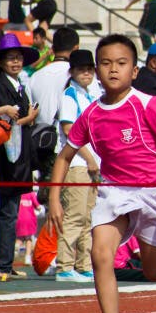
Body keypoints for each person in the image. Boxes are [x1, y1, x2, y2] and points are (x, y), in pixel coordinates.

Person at [46, 34, 156, 313]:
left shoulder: (149, 104)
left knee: (154, 273)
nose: (113, 69)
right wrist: (54, 199)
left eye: (121, 63)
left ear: (134, 71)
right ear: (97, 70)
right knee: (99, 253)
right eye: (106, 63)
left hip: (154, 193)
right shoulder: (91, 114)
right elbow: (64, 156)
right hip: (115, 191)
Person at [0, 34, 40, 282]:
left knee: (10, 212)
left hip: (19, 156)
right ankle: (2, 263)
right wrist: (28, 118)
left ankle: (5, 263)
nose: (16, 62)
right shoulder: (1, 85)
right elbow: (4, 123)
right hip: (6, 157)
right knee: (6, 212)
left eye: (18, 58)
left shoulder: (19, 83)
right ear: (1, 62)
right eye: (11, 58)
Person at [55, 49, 102, 282]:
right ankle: (64, 266)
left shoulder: (89, 96)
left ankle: (84, 265)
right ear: (72, 71)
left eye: (90, 69)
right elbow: (69, 130)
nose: (87, 73)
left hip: (91, 165)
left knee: (88, 218)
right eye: (82, 69)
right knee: (74, 217)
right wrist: (90, 159)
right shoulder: (70, 95)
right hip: (76, 164)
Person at [27, 27, 80, 204]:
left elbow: (29, 115)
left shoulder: (35, 77)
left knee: (50, 206)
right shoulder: (78, 77)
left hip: (43, 148)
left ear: (53, 47)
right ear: (76, 48)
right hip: (71, 150)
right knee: (70, 208)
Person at [15, 191, 41, 266]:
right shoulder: (31, 194)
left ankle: (16, 247)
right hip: (29, 219)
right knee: (28, 239)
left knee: (20, 238)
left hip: (19, 218)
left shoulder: (19, 193)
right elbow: (38, 206)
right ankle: (27, 258)